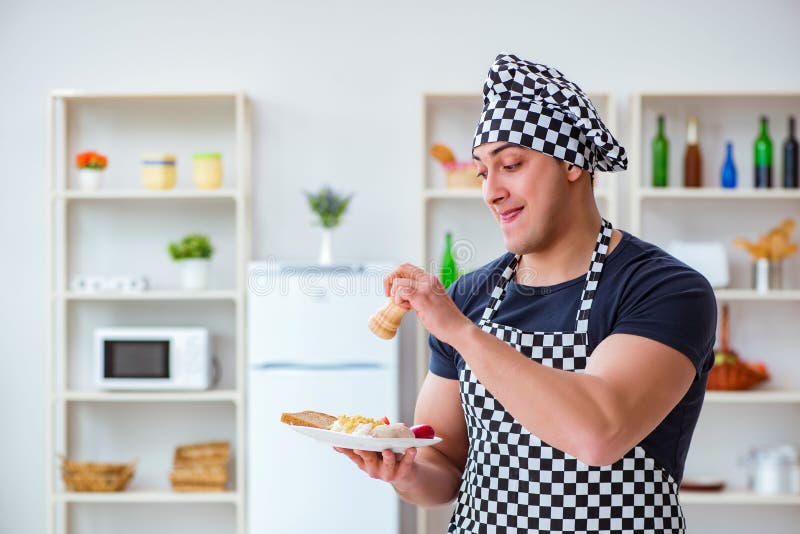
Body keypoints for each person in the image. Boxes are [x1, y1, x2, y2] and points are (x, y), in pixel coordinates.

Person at [335, 53, 717, 533]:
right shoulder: (472, 294)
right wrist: (405, 470)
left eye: (510, 164)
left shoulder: (664, 289)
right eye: (482, 172)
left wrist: (460, 331)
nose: (491, 191)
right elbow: (446, 469)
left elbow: (598, 432)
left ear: (572, 164)